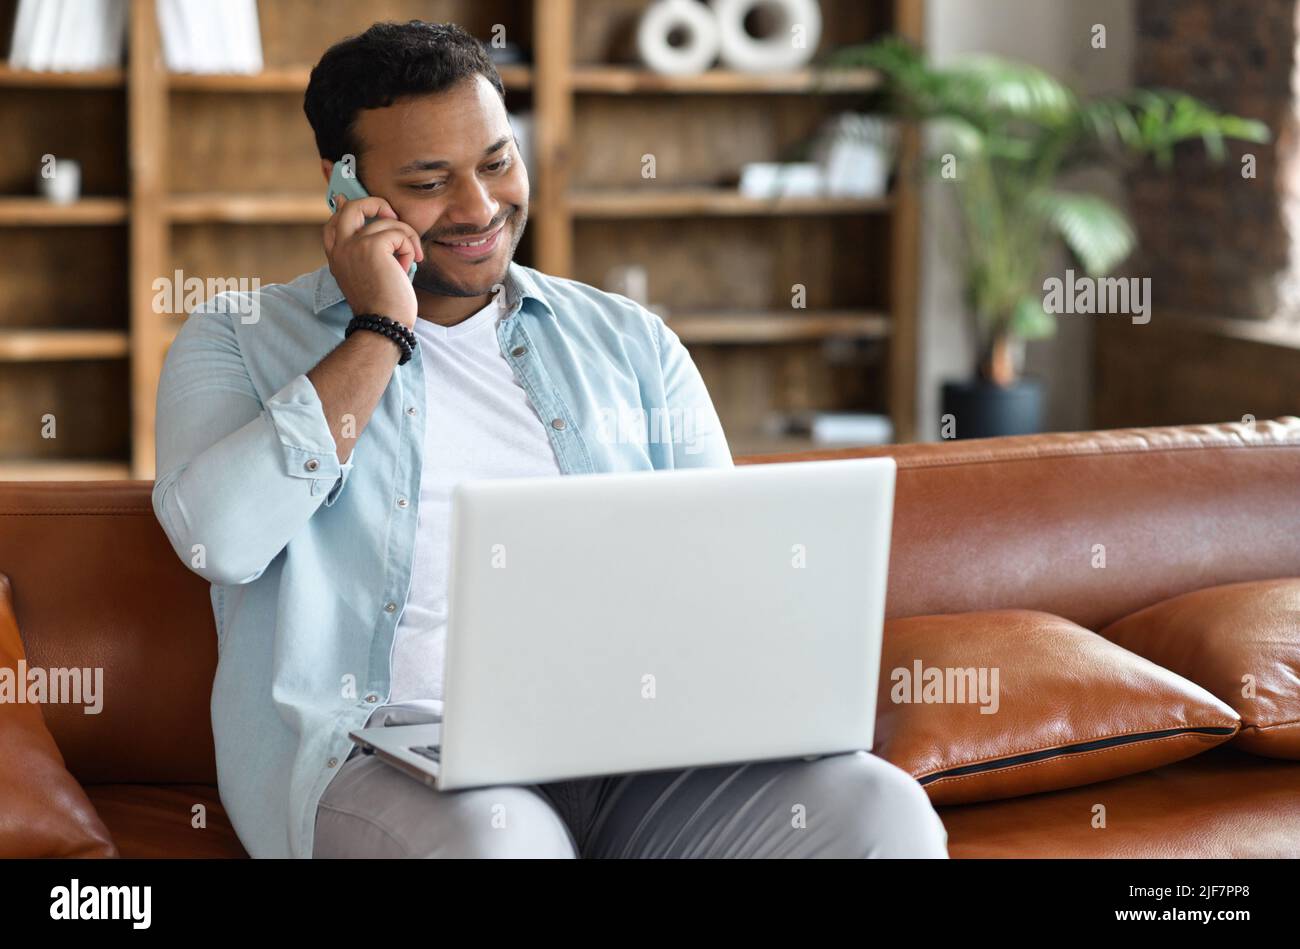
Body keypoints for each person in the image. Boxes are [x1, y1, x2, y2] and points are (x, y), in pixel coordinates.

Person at [152, 20, 949, 859]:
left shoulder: (629, 342)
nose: (478, 207)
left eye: (498, 161)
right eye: (430, 181)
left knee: (880, 810)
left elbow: (729, 581)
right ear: (342, 184)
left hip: (632, 753)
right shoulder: (234, 338)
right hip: (388, 759)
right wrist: (380, 329)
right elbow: (221, 539)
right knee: (505, 843)